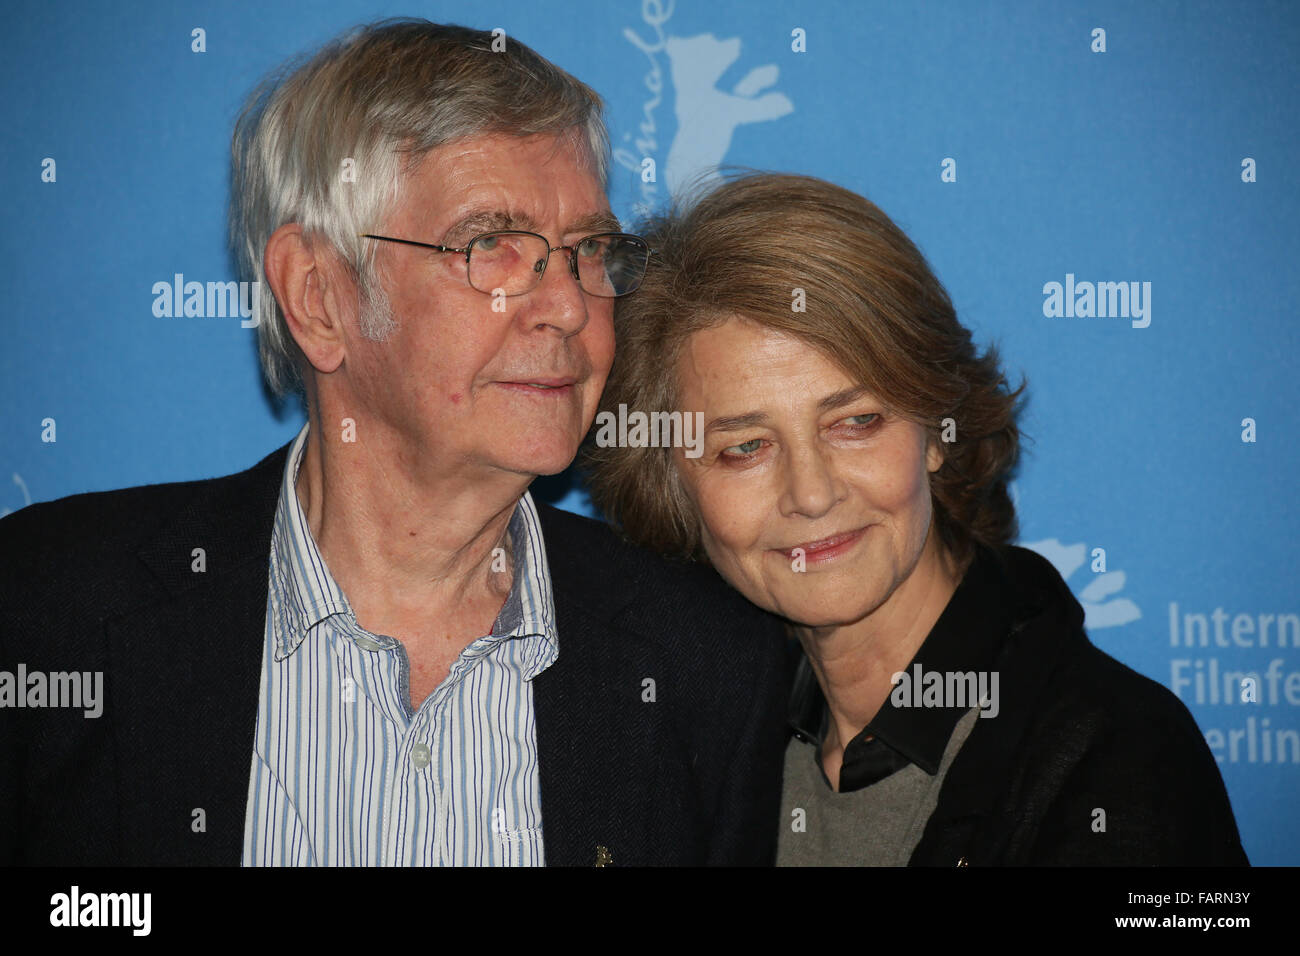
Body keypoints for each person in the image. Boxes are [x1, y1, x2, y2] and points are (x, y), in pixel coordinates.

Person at [0, 20, 789, 866]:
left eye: (587, 251)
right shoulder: (48, 615)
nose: (568, 305)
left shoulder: (709, 665)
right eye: (491, 246)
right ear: (318, 299)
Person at [583, 171, 1249, 865]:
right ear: (670, 488)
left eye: (857, 422)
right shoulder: (683, 747)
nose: (811, 494)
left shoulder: (1116, 760)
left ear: (936, 430)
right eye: (744, 447)